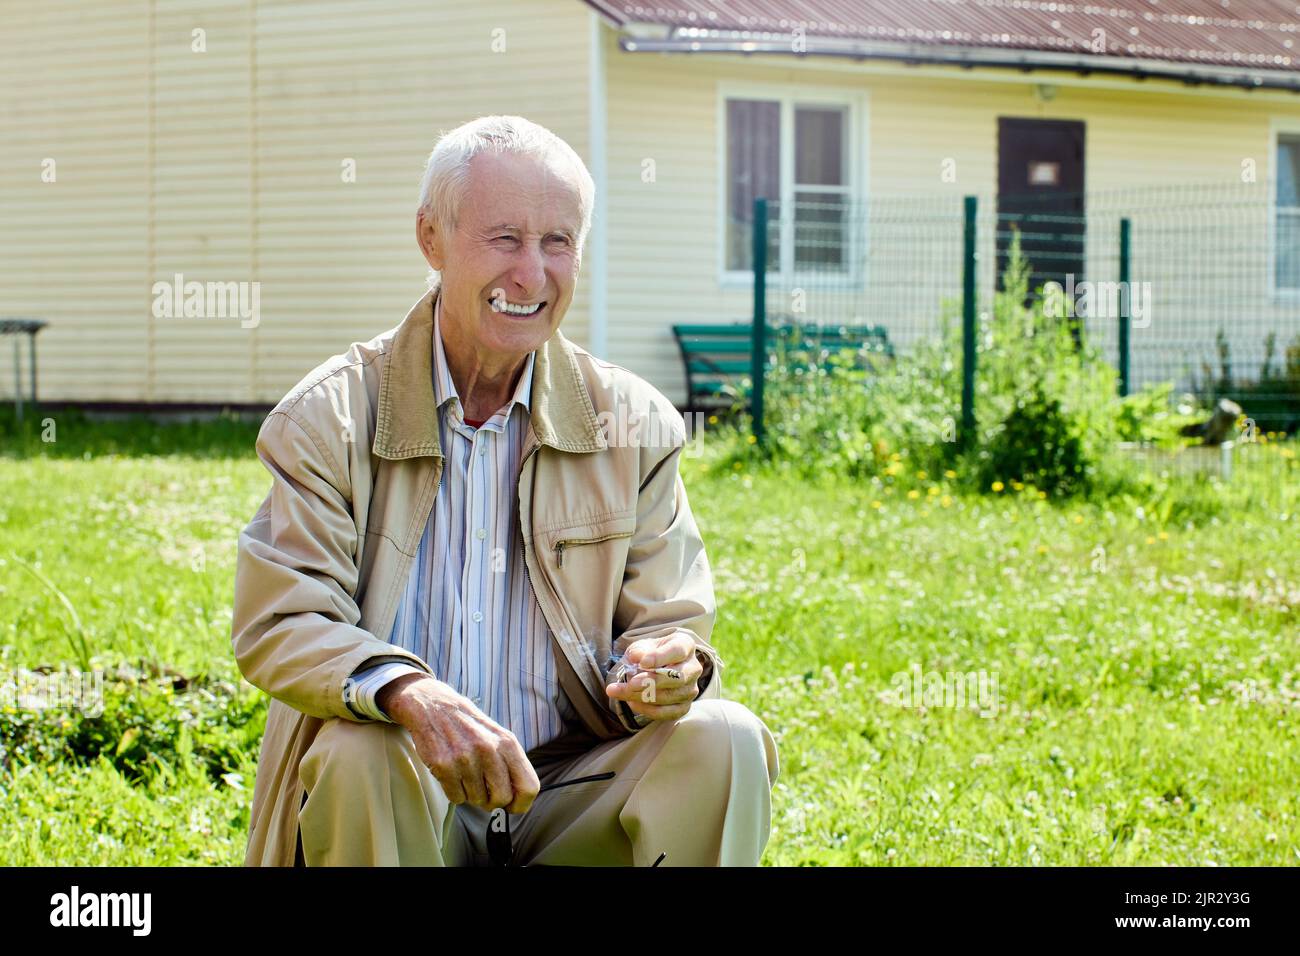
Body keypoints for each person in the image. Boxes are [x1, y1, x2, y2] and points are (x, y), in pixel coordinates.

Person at [231, 115, 778, 866]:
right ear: (431, 239)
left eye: (558, 242)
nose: (532, 274)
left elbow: (670, 619)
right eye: (505, 239)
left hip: (568, 790)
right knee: (363, 753)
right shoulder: (330, 417)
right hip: (406, 791)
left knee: (726, 740)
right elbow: (282, 622)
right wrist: (411, 696)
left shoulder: (633, 423)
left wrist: (668, 662)